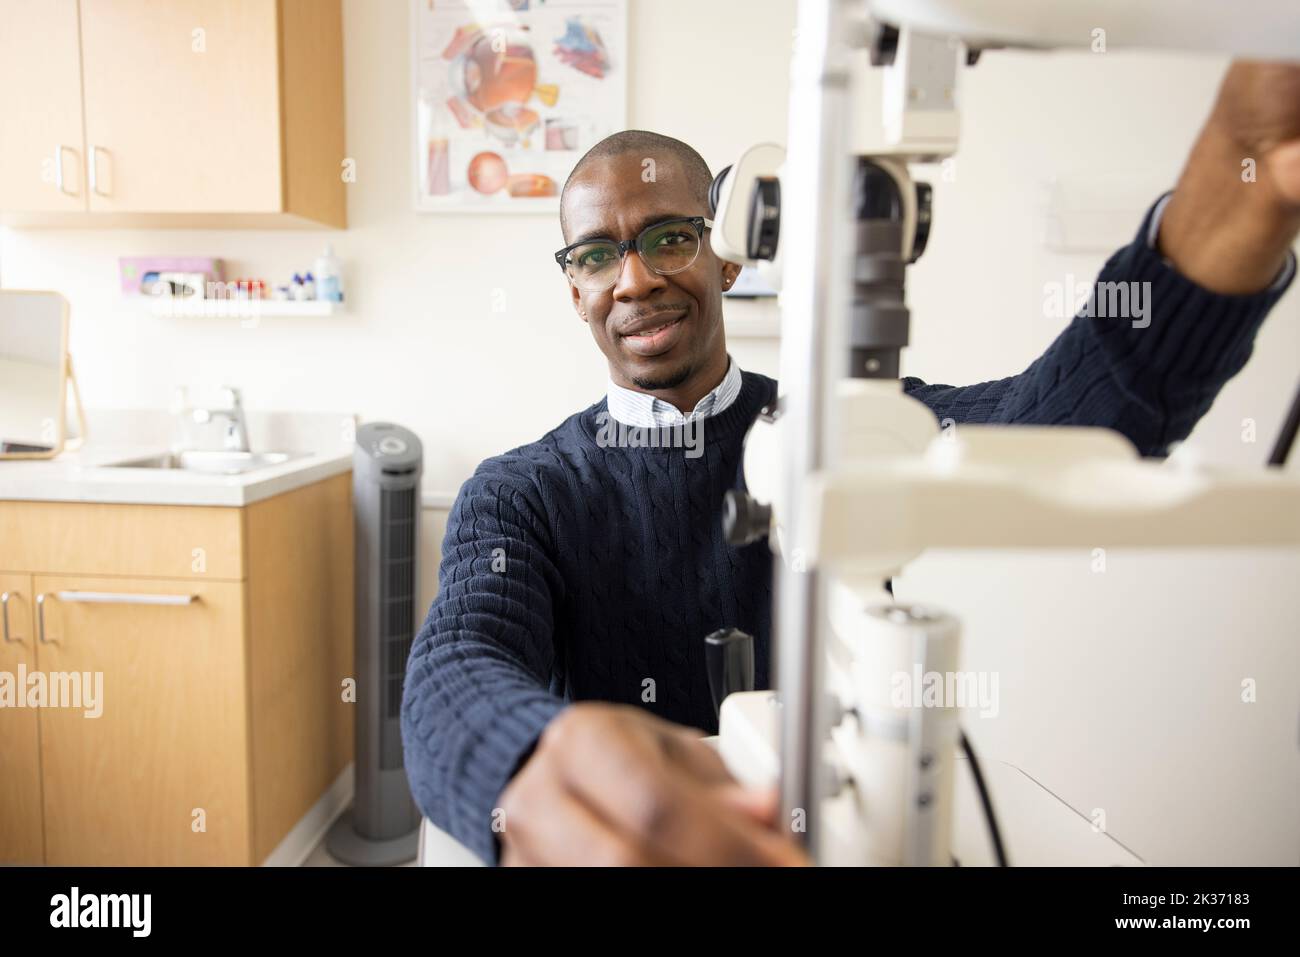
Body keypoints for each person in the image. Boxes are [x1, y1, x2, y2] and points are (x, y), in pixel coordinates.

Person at [401, 62, 1300, 866]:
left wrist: (1242, 179)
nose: (634, 280)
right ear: (576, 291)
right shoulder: (520, 492)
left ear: (723, 255)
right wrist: (526, 761)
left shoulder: (842, 429)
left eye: (669, 237)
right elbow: (456, 663)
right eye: (599, 255)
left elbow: (1074, 421)